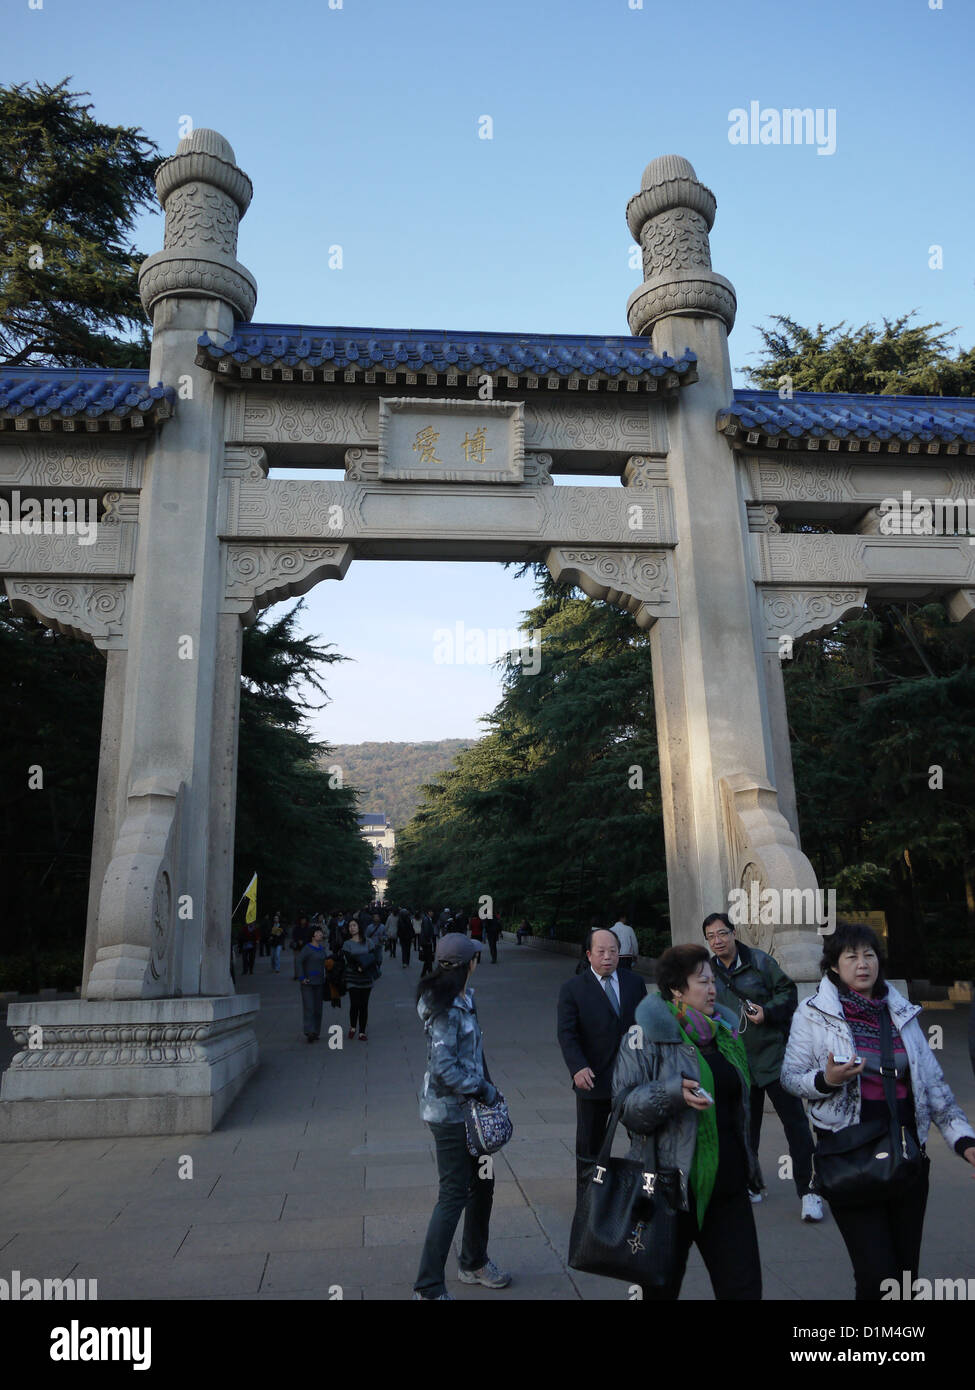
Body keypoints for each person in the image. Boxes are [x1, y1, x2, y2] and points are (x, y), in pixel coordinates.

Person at [781, 921, 975, 1301]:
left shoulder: (900, 1011)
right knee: (876, 1277)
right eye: (851, 956)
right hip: (849, 1157)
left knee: (904, 1277)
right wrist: (827, 1079)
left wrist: (964, 1140)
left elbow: (933, 1085)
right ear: (834, 966)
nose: (862, 963)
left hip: (905, 1155)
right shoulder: (814, 1013)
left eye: (869, 955)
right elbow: (790, 1077)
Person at [613, 943, 762, 1300]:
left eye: (713, 981)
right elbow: (625, 1107)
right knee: (660, 1291)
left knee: (744, 1290)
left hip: (728, 1190)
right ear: (677, 989)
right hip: (668, 1191)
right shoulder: (645, 1036)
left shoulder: (724, 1034)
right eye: (702, 982)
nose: (712, 989)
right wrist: (670, 1093)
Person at [703, 911, 820, 1221]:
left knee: (795, 1125)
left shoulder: (759, 961)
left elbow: (788, 993)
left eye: (722, 933)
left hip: (774, 1059)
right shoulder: (708, 971)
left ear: (733, 932)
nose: (718, 940)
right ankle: (752, 1183)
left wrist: (767, 1013)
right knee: (744, 1129)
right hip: (738, 1064)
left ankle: (809, 1191)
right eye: (711, 936)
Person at [412, 934, 510, 1300]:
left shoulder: (463, 999)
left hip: (472, 1114)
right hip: (451, 1115)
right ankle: (427, 1288)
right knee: (453, 1194)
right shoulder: (446, 1007)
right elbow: (444, 1070)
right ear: (469, 963)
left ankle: (474, 1261)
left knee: (482, 1184)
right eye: (475, 957)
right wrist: (484, 1090)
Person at [557, 927, 647, 1185]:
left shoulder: (634, 982)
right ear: (588, 955)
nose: (608, 956)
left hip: (632, 1080)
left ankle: (639, 1195)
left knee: (642, 1141)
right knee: (590, 1147)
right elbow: (567, 1033)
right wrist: (578, 1067)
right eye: (601, 952)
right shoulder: (573, 989)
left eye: (613, 951)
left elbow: (644, 1025)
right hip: (593, 1079)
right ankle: (589, 1199)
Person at [342, 917, 383, 1041]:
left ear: (359, 927)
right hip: (353, 977)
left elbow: (373, 957)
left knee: (364, 1005)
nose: (352, 928)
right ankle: (353, 1026)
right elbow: (349, 960)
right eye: (350, 926)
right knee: (354, 1003)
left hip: (366, 977)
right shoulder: (347, 944)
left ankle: (362, 1031)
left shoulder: (369, 942)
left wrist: (364, 967)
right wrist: (358, 967)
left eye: (354, 925)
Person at [297, 927, 328, 1043]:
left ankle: (316, 1031)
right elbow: (299, 961)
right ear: (313, 936)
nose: (320, 934)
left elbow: (326, 962)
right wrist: (301, 977)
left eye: (320, 933)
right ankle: (309, 1031)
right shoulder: (307, 948)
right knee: (309, 1007)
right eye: (318, 933)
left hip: (320, 982)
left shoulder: (321, 948)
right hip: (308, 983)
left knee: (318, 1009)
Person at [418, 909, 436, 978]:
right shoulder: (426, 919)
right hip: (426, 941)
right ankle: (430, 973)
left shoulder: (428, 919)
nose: (432, 913)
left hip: (426, 941)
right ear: (429, 912)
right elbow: (426, 931)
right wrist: (428, 940)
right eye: (431, 911)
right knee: (428, 958)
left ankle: (424, 973)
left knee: (427, 958)